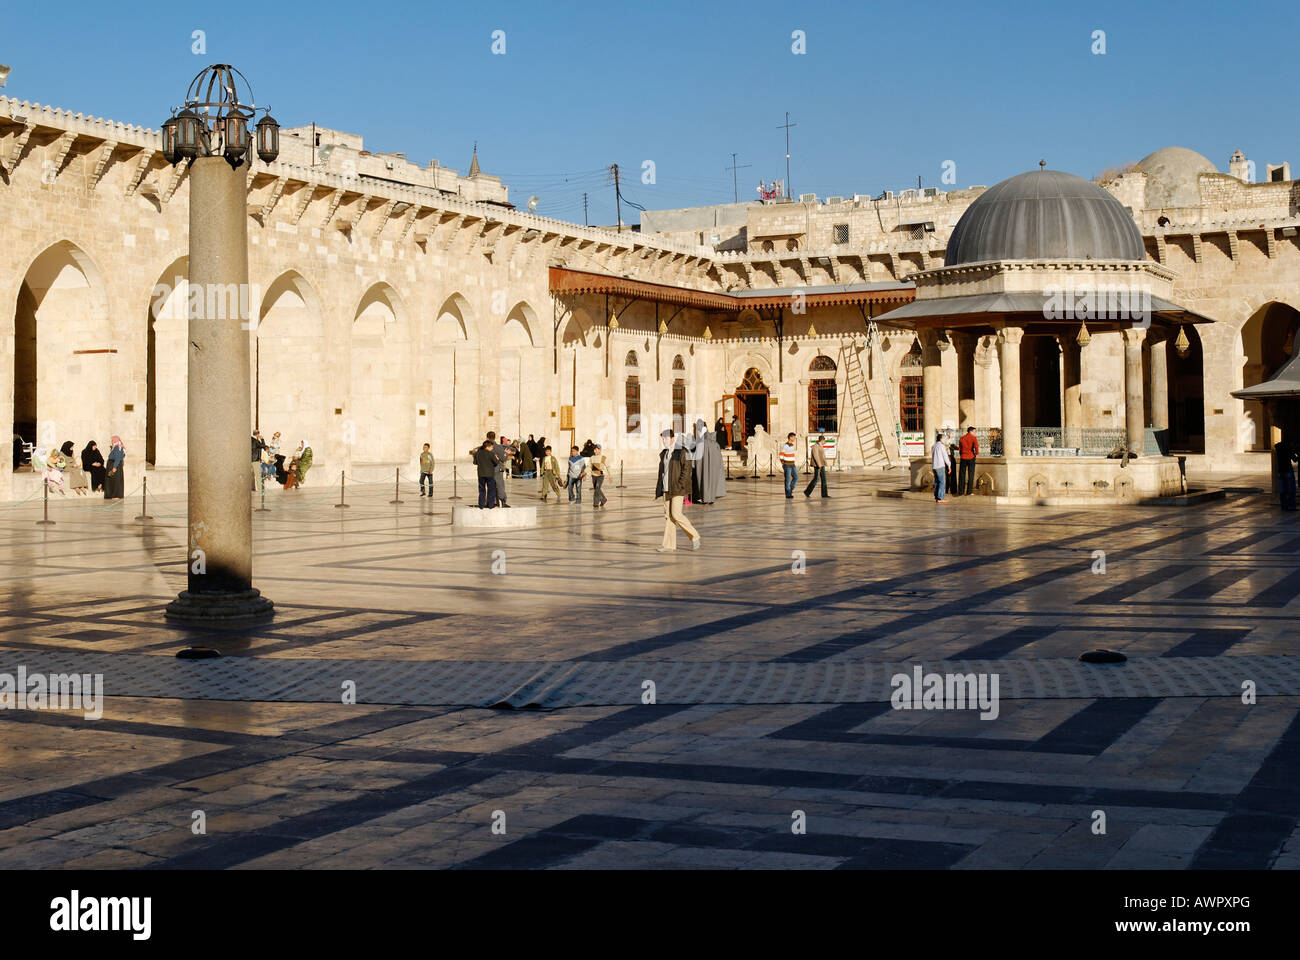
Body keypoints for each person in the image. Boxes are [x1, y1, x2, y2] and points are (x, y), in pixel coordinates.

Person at [655, 429, 700, 552]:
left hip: (677, 488)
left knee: (676, 514)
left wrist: (680, 484)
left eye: (666, 438)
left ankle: (694, 536)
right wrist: (660, 487)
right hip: (666, 488)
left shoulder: (681, 451)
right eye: (663, 439)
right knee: (668, 517)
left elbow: (686, 469)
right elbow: (662, 473)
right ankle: (668, 545)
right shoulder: (664, 453)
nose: (664, 441)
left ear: (672, 438)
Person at [691, 418, 726, 505]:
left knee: (703, 478)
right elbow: (720, 460)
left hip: (702, 466)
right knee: (711, 479)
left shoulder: (699, 444)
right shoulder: (715, 443)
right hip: (714, 466)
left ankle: (705, 498)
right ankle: (711, 498)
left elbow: (693, 462)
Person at [1276, 434, 1298, 511]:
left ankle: (1284, 506)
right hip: (1288, 470)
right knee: (1291, 490)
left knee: (1282, 490)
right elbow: (1294, 459)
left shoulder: (1278, 446)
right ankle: (1291, 506)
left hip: (1280, 470)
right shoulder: (1289, 447)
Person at [474, 438, 498, 508]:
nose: (492, 448)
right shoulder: (491, 454)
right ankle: (491, 505)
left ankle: (481, 505)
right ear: (487, 447)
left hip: (481, 474)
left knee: (482, 490)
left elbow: (475, 462)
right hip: (490, 474)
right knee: (491, 489)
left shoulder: (478, 453)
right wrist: (496, 458)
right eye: (491, 447)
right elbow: (496, 463)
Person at [804, 433, 830, 498]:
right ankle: (807, 491)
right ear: (822, 440)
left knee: (824, 479)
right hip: (818, 465)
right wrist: (819, 464)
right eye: (824, 440)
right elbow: (816, 456)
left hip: (822, 464)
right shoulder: (816, 446)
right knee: (816, 479)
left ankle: (824, 494)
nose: (825, 442)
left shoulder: (820, 446)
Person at [957, 426, 979, 497]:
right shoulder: (973, 438)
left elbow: (960, 449)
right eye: (974, 431)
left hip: (963, 457)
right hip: (971, 457)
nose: (975, 433)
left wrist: (961, 455)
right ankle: (969, 492)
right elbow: (976, 447)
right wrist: (976, 454)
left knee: (962, 475)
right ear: (971, 431)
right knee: (971, 474)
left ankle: (961, 492)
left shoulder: (962, 438)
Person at [932, 429, 951, 504]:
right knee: (942, 482)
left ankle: (937, 497)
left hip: (934, 466)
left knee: (937, 482)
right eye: (944, 438)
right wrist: (949, 465)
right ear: (941, 439)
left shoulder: (933, 446)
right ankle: (941, 498)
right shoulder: (942, 446)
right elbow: (945, 457)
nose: (945, 440)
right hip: (940, 466)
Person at [104, 436, 126, 500]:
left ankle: (116, 495)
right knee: (112, 481)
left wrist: (114, 467)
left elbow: (118, 458)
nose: (111, 441)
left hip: (115, 465)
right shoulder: (116, 447)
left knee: (116, 481)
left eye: (112, 440)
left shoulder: (118, 448)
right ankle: (111, 495)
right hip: (112, 464)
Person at [779, 432, 799, 498]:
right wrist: (783, 463)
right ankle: (788, 494)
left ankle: (790, 490)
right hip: (787, 465)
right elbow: (781, 454)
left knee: (796, 477)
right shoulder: (785, 445)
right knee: (787, 479)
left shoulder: (792, 445)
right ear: (790, 437)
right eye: (794, 437)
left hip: (792, 464)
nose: (795, 438)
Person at [589, 444, 609, 509]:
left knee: (597, 488)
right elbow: (589, 466)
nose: (594, 451)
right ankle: (603, 499)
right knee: (596, 489)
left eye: (596, 449)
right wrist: (585, 473)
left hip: (601, 475)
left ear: (599, 450)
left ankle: (596, 503)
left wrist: (610, 475)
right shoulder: (592, 458)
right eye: (594, 450)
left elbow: (608, 466)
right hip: (593, 475)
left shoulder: (603, 457)